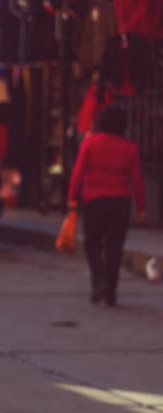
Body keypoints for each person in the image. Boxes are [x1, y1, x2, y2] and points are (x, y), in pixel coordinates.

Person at [68, 104, 146, 307]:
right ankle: (110, 291)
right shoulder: (130, 149)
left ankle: (98, 283)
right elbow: (137, 179)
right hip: (120, 201)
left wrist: (72, 197)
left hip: (93, 200)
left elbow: (78, 172)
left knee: (92, 244)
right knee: (114, 247)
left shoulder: (90, 144)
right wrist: (141, 207)